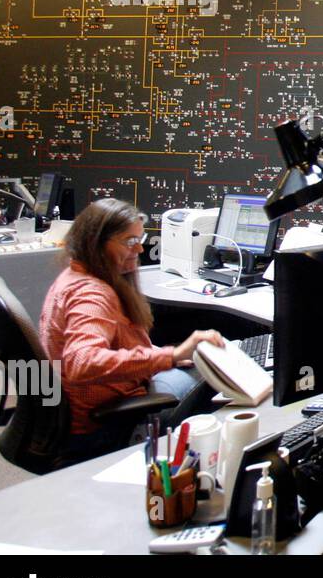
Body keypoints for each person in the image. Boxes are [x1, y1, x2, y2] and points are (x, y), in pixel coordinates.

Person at [40, 197, 225, 459]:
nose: (139, 250)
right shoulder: (90, 295)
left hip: (92, 404)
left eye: (140, 239)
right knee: (212, 377)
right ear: (96, 243)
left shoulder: (74, 276)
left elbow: (114, 342)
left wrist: (163, 355)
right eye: (130, 241)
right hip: (107, 418)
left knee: (196, 363)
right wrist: (170, 356)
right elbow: (83, 361)